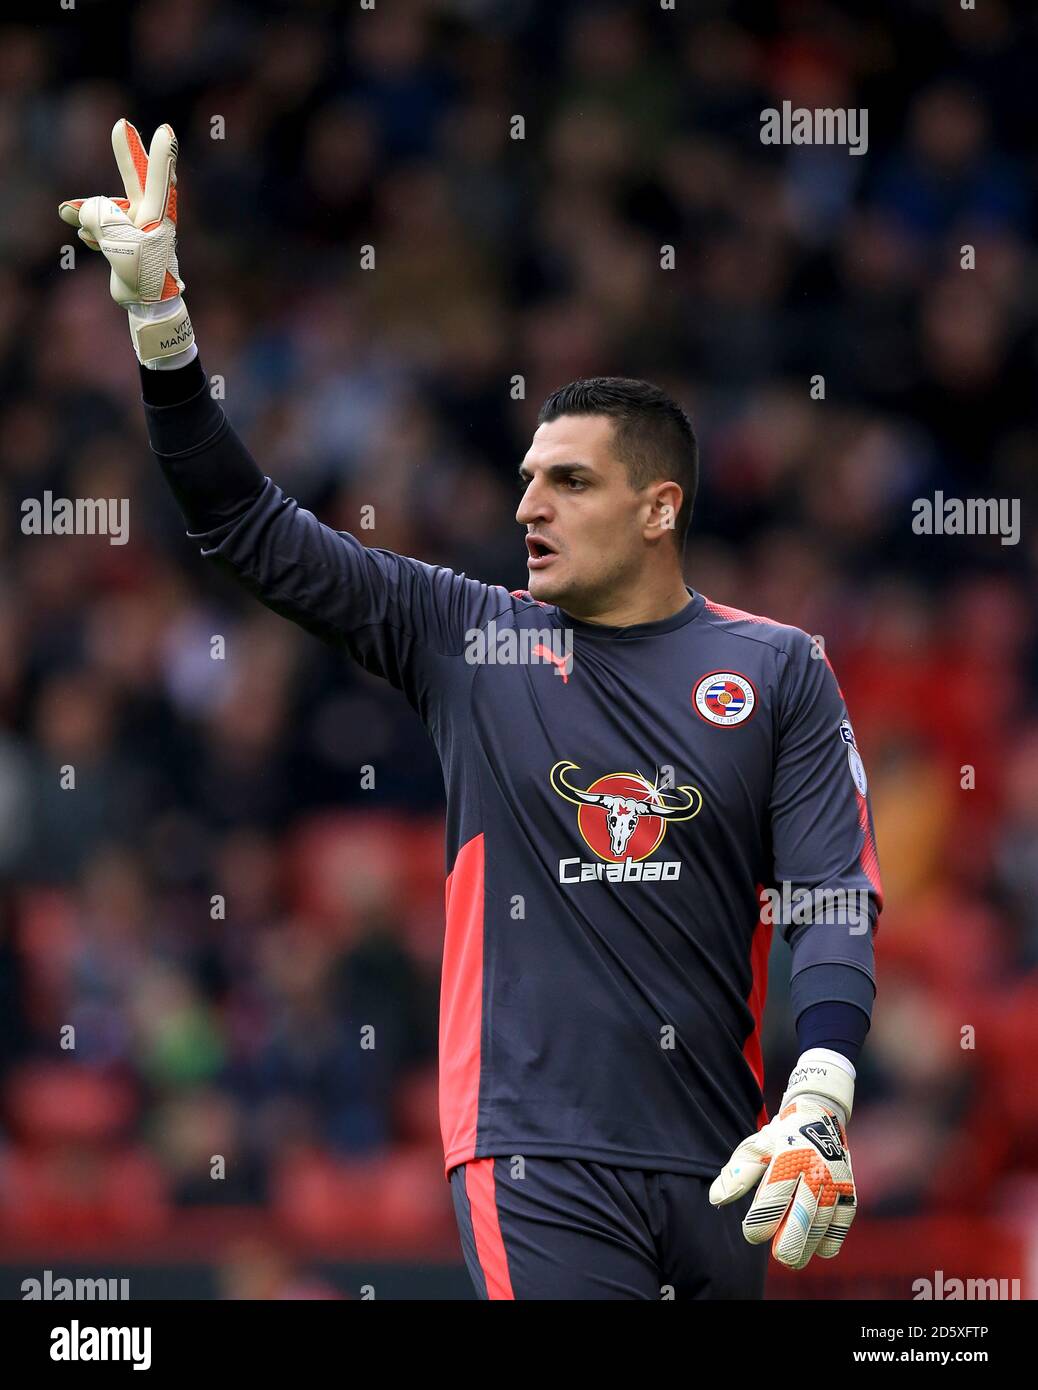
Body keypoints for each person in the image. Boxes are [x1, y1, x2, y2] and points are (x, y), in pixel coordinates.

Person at [59, 121, 882, 1300]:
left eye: (570, 481)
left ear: (661, 508)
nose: (529, 503)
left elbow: (828, 895)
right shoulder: (467, 636)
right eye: (526, 478)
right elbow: (244, 526)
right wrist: (162, 332)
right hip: (535, 1156)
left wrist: (820, 1095)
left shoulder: (780, 669)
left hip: (723, 1162)